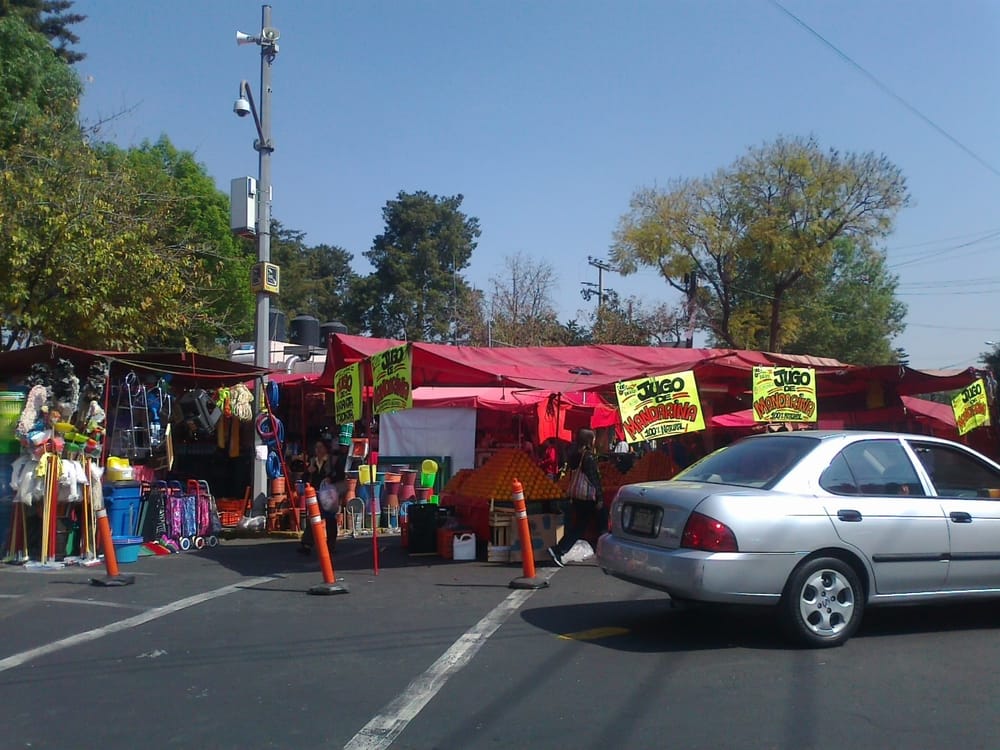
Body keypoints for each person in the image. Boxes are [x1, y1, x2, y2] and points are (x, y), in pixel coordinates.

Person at [549, 428, 603, 567]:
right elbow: (594, 479)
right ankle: (559, 550)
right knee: (585, 525)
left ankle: (559, 549)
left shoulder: (575, 455)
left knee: (582, 525)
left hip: (577, 497)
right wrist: (600, 498)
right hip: (587, 498)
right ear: (589, 440)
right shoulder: (588, 457)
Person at [298, 438, 339, 557]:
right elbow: (305, 478)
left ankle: (331, 545)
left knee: (330, 519)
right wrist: (309, 472)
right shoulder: (313, 461)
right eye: (316, 447)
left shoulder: (332, 461)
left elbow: (339, 475)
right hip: (316, 493)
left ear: (326, 449)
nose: (318, 450)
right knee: (314, 518)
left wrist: (330, 478)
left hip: (329, 494)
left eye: (320, 447)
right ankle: (306, 544)